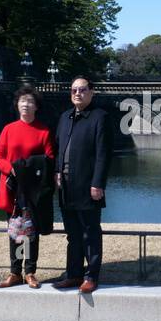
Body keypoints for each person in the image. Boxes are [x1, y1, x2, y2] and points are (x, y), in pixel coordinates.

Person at [52, 76, 112, 294]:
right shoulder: (65, 117)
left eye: (82, 89)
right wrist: (57, 171)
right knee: (73, 235)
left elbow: (103, 155)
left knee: (90, 233)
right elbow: (58, 148)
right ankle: (74, 274)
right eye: (74, 90)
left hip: (88, 187)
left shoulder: (99, 117)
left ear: (91, 92)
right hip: (66, 186)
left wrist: (98, 183)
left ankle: (91, 276)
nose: (77, 93)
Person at [0, 85, 55, 289]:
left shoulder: (44, 131)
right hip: (12, 188)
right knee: (15, 231)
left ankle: (30, 272)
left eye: (30, 101)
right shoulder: (8, 129)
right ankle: (14, 272)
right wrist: (12, 169)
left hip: (32, 191)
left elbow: (49, 159)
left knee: (31, 232)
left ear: (36, 106)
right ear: (17, 105)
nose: (26, 105)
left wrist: (27, 168)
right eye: (22, 101)